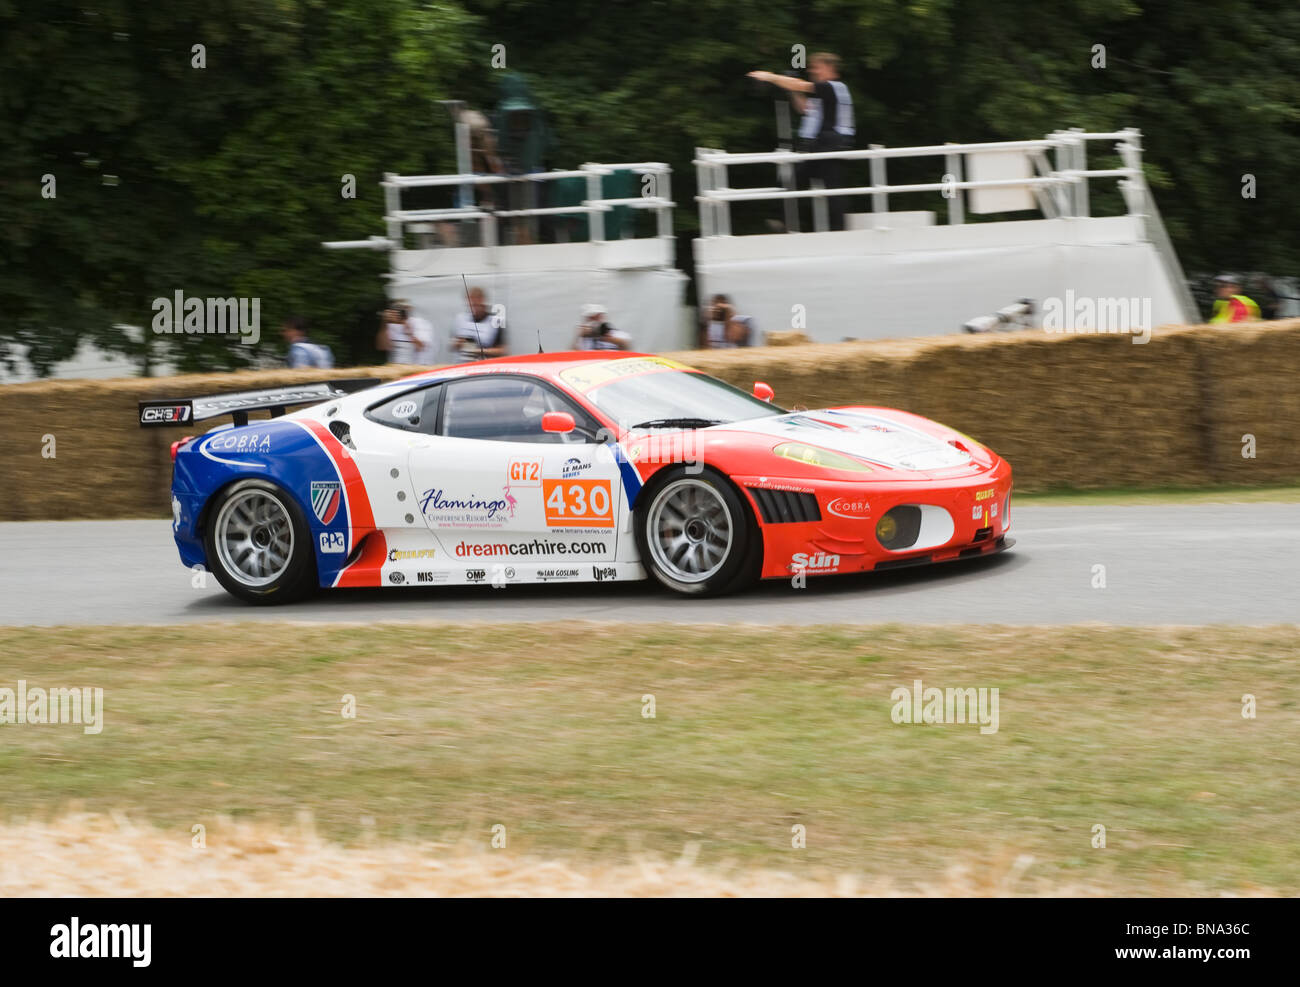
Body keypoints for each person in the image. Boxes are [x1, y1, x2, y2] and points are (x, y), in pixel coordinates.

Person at [747, 53, 855, 231]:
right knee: (793, 181)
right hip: (819, 144)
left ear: (830, 68)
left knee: (831, 189)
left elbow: (801, 85)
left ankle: (838, 229)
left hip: (831, 143)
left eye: (816, 67)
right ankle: (782, 221)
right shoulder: (824, 93)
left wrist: (770, 77)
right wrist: (792, 89)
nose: (812, 70)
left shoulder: (833, 87)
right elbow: (805, 108)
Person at [451, 286, 507, 360]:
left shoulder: (496, 320)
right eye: (471, 302)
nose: (474, 305)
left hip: (484, 365)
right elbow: (452, 346)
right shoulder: (461, 319)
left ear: (483, 300)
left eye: (477, 301)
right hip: (463, 365)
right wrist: (458, 343)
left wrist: (479, 351)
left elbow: (502, 351)